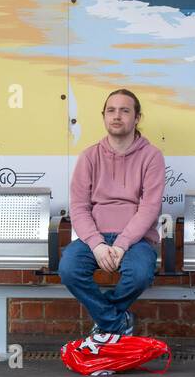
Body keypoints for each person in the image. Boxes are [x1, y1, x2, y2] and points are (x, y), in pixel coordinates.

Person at [58, 88, 165, 336]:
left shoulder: (151, 157)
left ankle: (106, 319)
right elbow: (79, 207)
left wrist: (121, 244)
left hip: (136, 240)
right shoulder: (89, 156)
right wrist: (96, 244)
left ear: (137, 118)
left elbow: (149, 207)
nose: (117, 116)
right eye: (111, 111)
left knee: (140, 275)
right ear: (104, 116)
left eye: (125, 111)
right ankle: (116, 321)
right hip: (93, 238)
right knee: (69, 269)